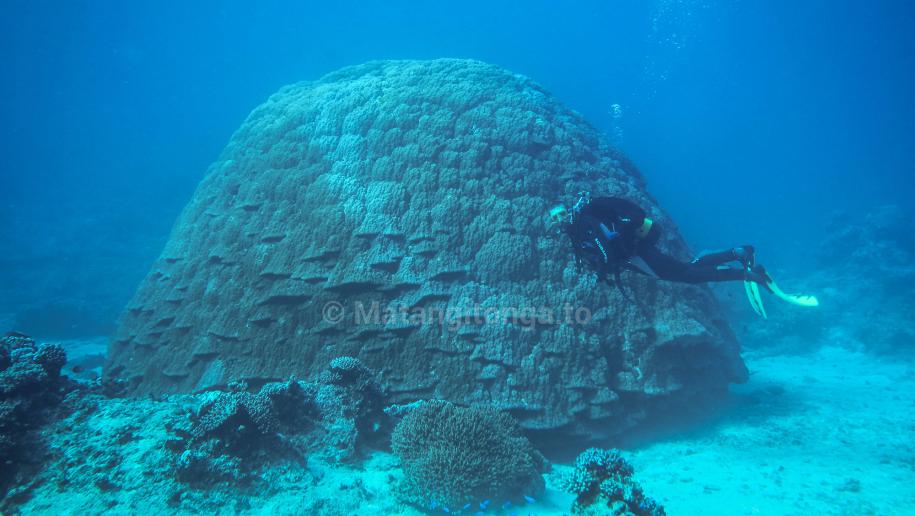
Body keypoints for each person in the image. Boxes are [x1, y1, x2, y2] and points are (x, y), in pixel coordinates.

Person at [550, 192, 817, 317]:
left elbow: (606, 253)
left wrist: (606, 268)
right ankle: (739, 252)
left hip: (636, 256)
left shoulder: (584, 224)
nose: (559, 221)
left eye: (561, 214)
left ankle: (750, 274)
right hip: (638, 252)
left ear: (569, 212)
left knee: (689, 275)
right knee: (688, 267)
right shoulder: (582, 224)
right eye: (555, 218)